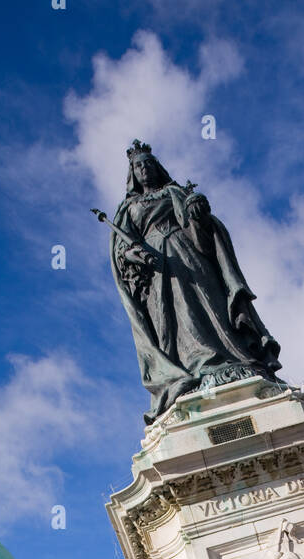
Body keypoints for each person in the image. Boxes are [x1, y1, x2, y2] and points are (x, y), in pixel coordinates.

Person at [109, 141, 282, 423]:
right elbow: (121, 254)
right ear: (133, 173)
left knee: (208, 304)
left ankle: (228, 359)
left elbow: (201, 230)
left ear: (156, 167)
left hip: (187, 255)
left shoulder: (173, 192)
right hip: (158, 272)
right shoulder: (128, 209)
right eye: (138, 166)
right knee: (174, 324)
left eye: (148, 164)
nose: (144, 170)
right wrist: (135, 253)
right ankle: (189, 370)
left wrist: (198, 214)